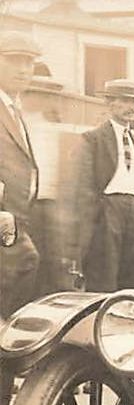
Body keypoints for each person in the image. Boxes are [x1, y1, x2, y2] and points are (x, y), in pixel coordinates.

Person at [70, 79, 134, 292]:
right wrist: (93, 217)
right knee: (105, 266)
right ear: (109, 103)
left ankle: (128, 304)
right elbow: (83, 184)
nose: (130, 107)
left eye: (133, 102)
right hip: (108, 205)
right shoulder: (93, 138)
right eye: (124, 101)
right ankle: (102, 307)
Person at [0, 31, 43, 318]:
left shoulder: (13, 109)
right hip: (4, 217)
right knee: (25, 261)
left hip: (18, 216)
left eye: (29, 63)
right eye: (15, 61)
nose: (24, 69)